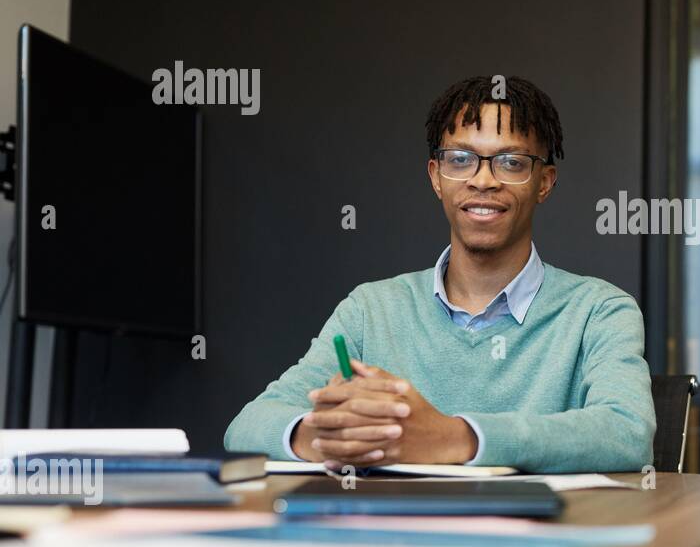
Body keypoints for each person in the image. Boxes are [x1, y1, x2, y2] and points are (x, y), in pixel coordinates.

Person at [224, 76, 656, 474]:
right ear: (437, 177)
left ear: (544, 182)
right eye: (461, 159)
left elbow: (627, 433)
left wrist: (455, 439)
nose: (483, 181)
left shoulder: (599, 310)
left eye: (510, 162)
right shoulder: (371, 310)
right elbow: (246, 426)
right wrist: (329, 439)